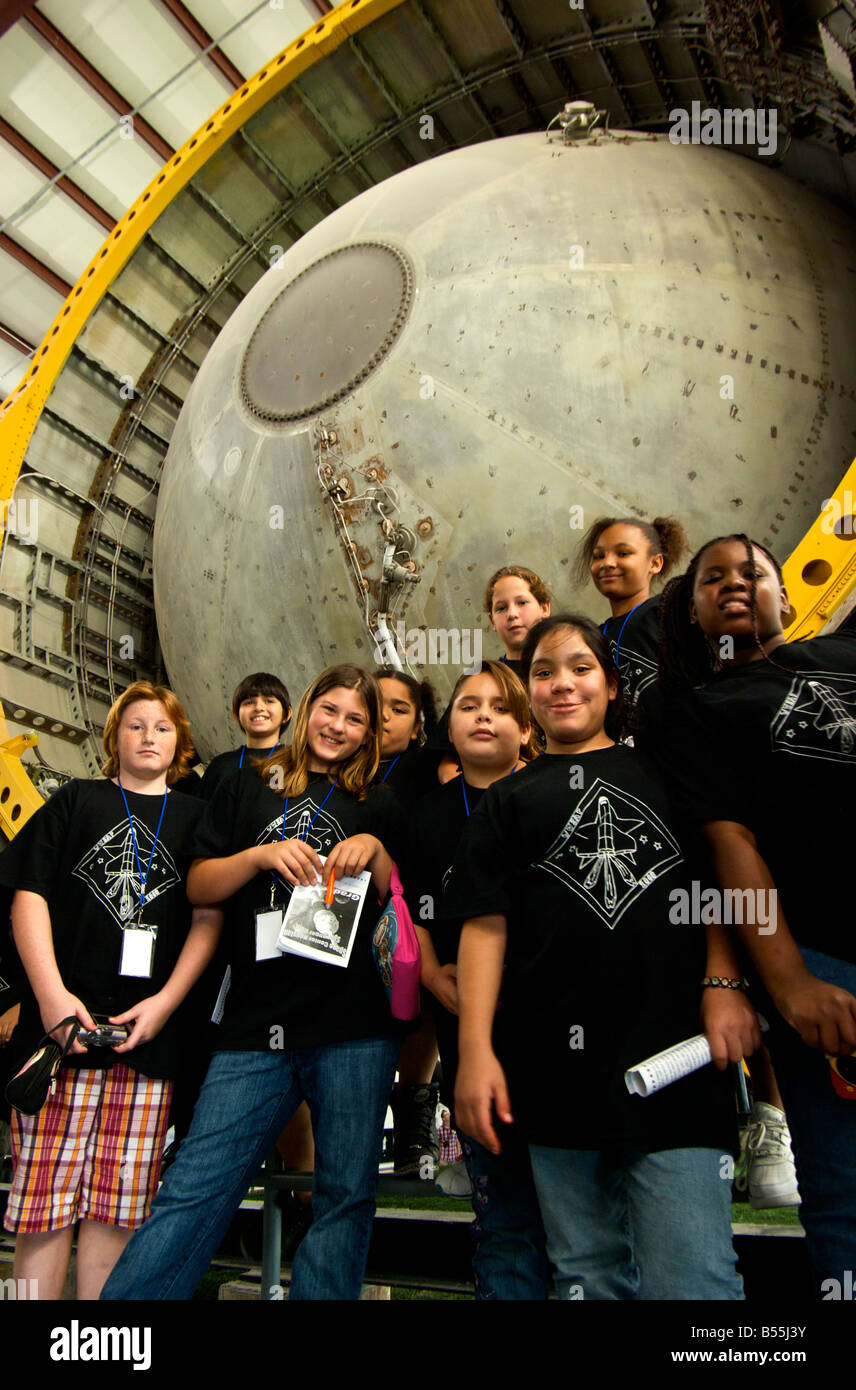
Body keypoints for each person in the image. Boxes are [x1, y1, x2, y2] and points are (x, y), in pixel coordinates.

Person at [449, 616, 756, 1300]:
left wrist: (725, 980)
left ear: (613, 684)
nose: (562, 685)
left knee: (693, 1278)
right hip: (553, 1073)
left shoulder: (663, 771)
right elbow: (484, 930)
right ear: (527, 691)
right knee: (587, 1274)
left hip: (676, 1061)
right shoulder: (505, 803)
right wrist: (475, 1052)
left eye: (580, 668)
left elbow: (714, 883)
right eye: (543, 672)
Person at [102, 664, 404, 1302]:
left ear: (371, 732)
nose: (338, 727)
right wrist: (261, 856)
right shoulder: (245, 786)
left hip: (353, 1028)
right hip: (251, 1028)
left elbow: (398, 901)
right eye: (330, 710)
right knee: (194, 1187)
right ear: (307, 708)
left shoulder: (378, 800)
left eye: (356, 719)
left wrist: (376, 849)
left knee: (344, 1197)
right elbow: (198, 886)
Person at [656, 533, 856, 1292]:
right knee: (844, 1200)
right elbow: (728, 844)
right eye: (714, 579)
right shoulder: (700, 710)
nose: (735, 584)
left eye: (753, 573)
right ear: (695, 608)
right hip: (830, 963)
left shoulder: (844, 655)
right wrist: (791, 981)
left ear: (789, 594)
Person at [0, 681, 222, 1300]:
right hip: (59, 1041)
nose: (148, 736)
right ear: (114, 737)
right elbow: (29, 894)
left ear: (180, 742)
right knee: (40, 1208)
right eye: (135, 725)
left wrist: (166, 1004)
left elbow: (209, 919)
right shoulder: (77, 800)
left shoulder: (198, 819)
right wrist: (48, 997)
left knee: (118, 1211)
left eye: (162, 727)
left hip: (144, 1043)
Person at [409, 660, 551, 1298]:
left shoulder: (555, 793)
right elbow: (409, 906)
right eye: (468, 705)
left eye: (500, 706)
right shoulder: (425, 816)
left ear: (526, 729)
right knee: (504, 1215)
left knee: (583, 1212)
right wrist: (435, 974)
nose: (483, 716)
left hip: (556, 1032)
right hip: (470, 1037)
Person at [371, 667, 443, 1174]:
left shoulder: (426, 768)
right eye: (376, 706)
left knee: (420, 1015)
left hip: (413, 910)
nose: (385, 718)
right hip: (347, 917)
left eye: (399, 709)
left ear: (419, 723)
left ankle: (415, 1124)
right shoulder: (335, 769)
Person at [573, 516, 688, 716]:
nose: (607, 563)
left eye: (623, 553)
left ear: (655, 563)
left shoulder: (668, 613)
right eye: (598, 556)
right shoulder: (595, 635)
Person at [199, 672, 292, 801]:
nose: (259, 707)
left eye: (269, 701)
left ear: (287, 713)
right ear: (236, 715)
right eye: (249, 702)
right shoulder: (221, 766)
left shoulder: (296, 761)